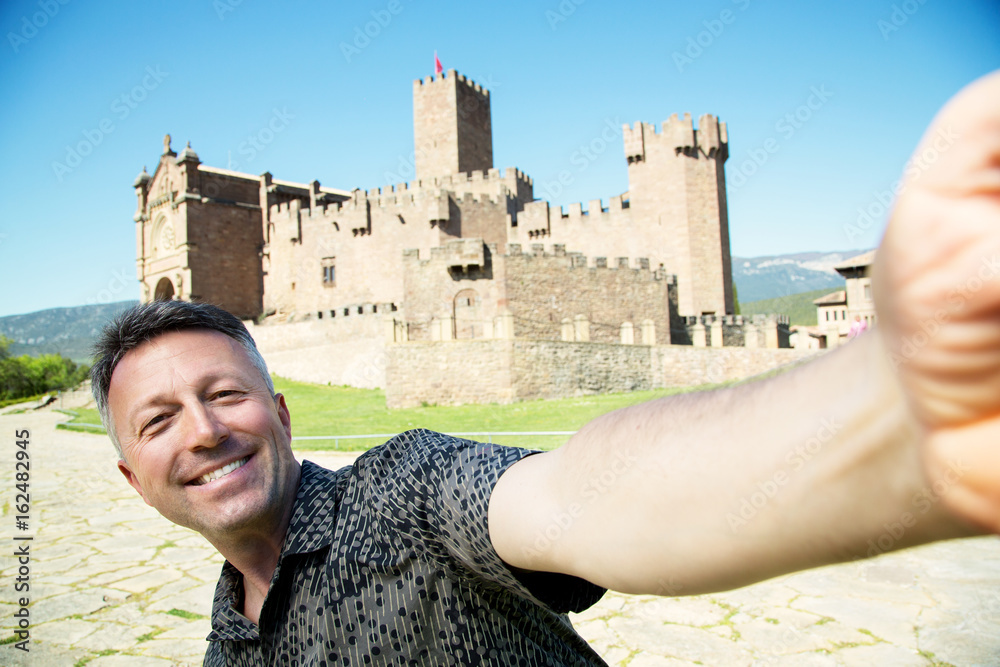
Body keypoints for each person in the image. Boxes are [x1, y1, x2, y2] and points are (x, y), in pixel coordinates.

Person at [91, 70, 1000, 665]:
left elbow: (588, 498)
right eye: (159, 418)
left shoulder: (403, 495)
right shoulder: (224, 649)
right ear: (133, 478)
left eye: (223, 393)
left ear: (281, 411)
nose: (204, 429)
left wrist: (894, 419)